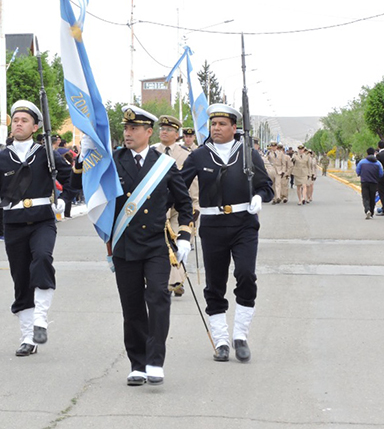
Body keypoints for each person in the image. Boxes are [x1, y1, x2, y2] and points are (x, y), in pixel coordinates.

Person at [0, 100, 71, 357]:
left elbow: (71, 177)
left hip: (42, 221)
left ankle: (40, 318)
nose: (18, 124)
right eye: (15, 120)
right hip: (14, 224)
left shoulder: (47, 154)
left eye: (24, 120)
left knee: (42, 259)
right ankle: (29, 336)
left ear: (36, 126)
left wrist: (63, 200)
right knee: (21, 279)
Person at [181, 104, 273, 364]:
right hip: (212, 225)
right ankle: (221, 340)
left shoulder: (248, 154)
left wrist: (258, 196)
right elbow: (179, 186)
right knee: (215, 283)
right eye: (213, 124)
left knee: (245, 274)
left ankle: (240, 335)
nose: (216, 128)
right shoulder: (199, 156)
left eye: (222, 124)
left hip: (244, 223)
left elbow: (266, 186)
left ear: (235, 127)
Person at [107, 105, 193, 386]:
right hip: (125, 246)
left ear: (148, 132)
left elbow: (184, 204)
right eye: (125, 128)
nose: (128, 133)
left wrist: (183, 236)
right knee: (131, 307)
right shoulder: (112, 161)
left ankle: (155, 360)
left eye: (134, 129)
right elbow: (83, 185)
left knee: (158, 297)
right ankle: (137, 363)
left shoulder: (164, 164)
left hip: (156, 244)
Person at [151, 114, 199, 297]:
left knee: (178, 244)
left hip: (180, 207)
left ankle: (175, 279)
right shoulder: (151, 152)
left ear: (176, 133)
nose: (164, 132)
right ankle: (174, 280)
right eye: (162, 129)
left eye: (168, 130)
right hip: (158, 206)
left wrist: (195, 207)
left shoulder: (185, 155)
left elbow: (193, 184)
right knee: (164, 244)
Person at [356, 147, 384, 219]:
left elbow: (357, 171)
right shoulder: (378, 163)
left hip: (364, 182)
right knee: (372, 197)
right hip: (374, 182)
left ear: (367, 153)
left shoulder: (362, 162)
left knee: (365, 197)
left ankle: (367, 209)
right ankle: (371, 212)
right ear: (374, 153)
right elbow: (381, 174)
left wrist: (361, 174)